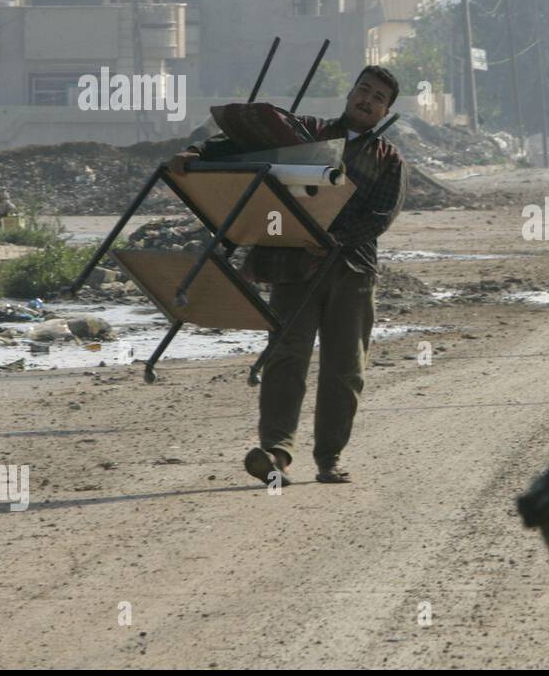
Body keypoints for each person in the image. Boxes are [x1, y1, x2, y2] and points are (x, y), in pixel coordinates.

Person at [170, 66, 407, 485]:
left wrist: (333, 238)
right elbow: (247, 144)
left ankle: (329, 458)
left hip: (352, 271)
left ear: (385, 110)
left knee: (345, 367)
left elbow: (380, 217)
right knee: (286, 355)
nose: (367, 101)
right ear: (350, 93)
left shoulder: (388, 160)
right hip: (293, 264)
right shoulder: (310, 133)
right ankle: (277, 452)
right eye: (363, 90)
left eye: (378, 99)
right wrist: (198, 154)